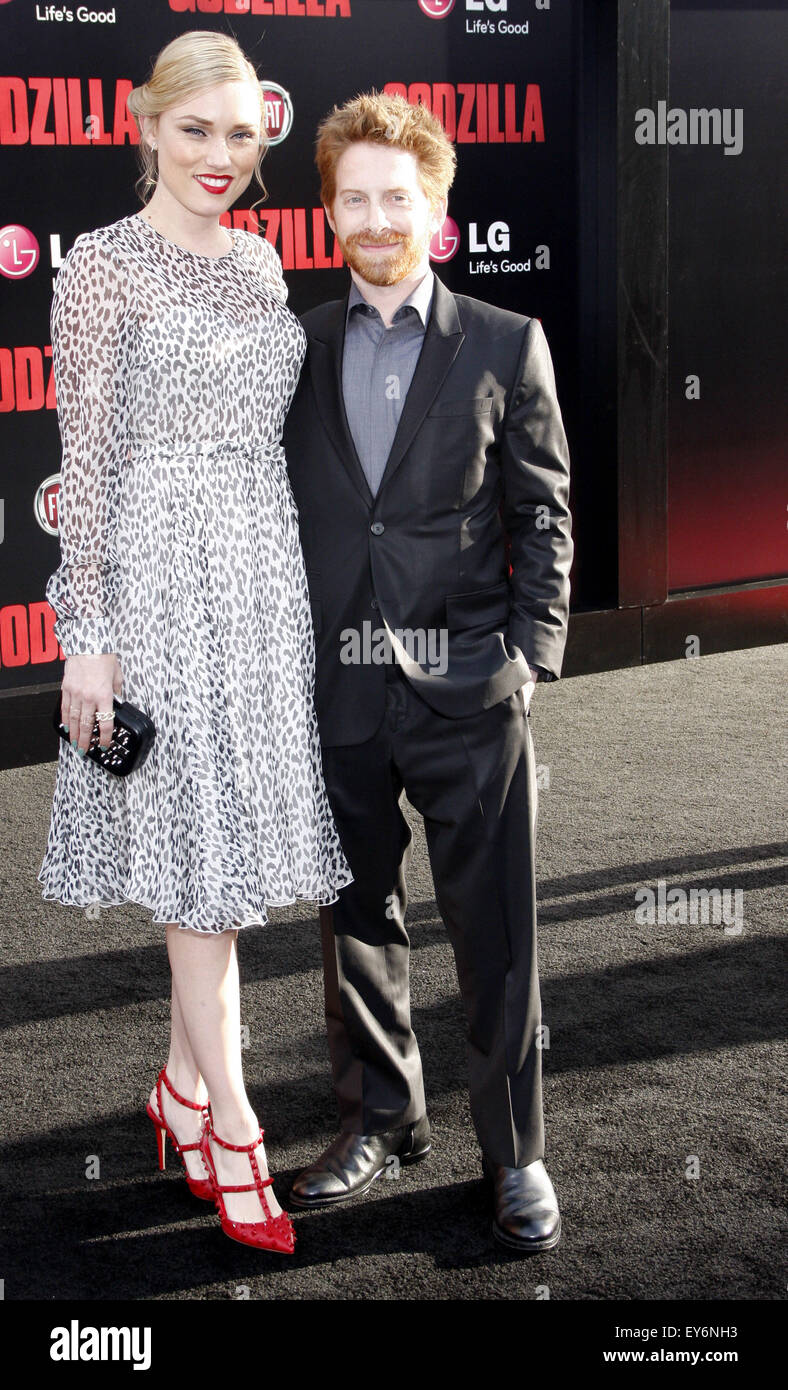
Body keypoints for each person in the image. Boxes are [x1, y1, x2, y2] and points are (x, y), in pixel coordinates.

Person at [38, 30, 351, 1255]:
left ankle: (175, 1090)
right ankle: (232, 1127)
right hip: (159, 591)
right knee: (199, 879)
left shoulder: (263, 265)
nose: (220, 158)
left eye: (240, 135)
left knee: (228, 864)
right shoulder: (102, 270)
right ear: (143, 125)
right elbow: (89, 464)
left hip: (259, 583)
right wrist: (91, 637)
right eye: (195, 131)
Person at [283, 92, 573, 1252]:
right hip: (336, 687)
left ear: (435, 208)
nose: (373, 218)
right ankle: (377, 1121)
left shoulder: (504, 342)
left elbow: (540, 513)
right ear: (328, 212)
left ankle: (514, 1154)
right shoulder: (290, 350)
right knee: (355, 918)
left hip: (470, 689)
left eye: (394, 198)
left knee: (492, 929)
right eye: (352, 199)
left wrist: (527, 656)